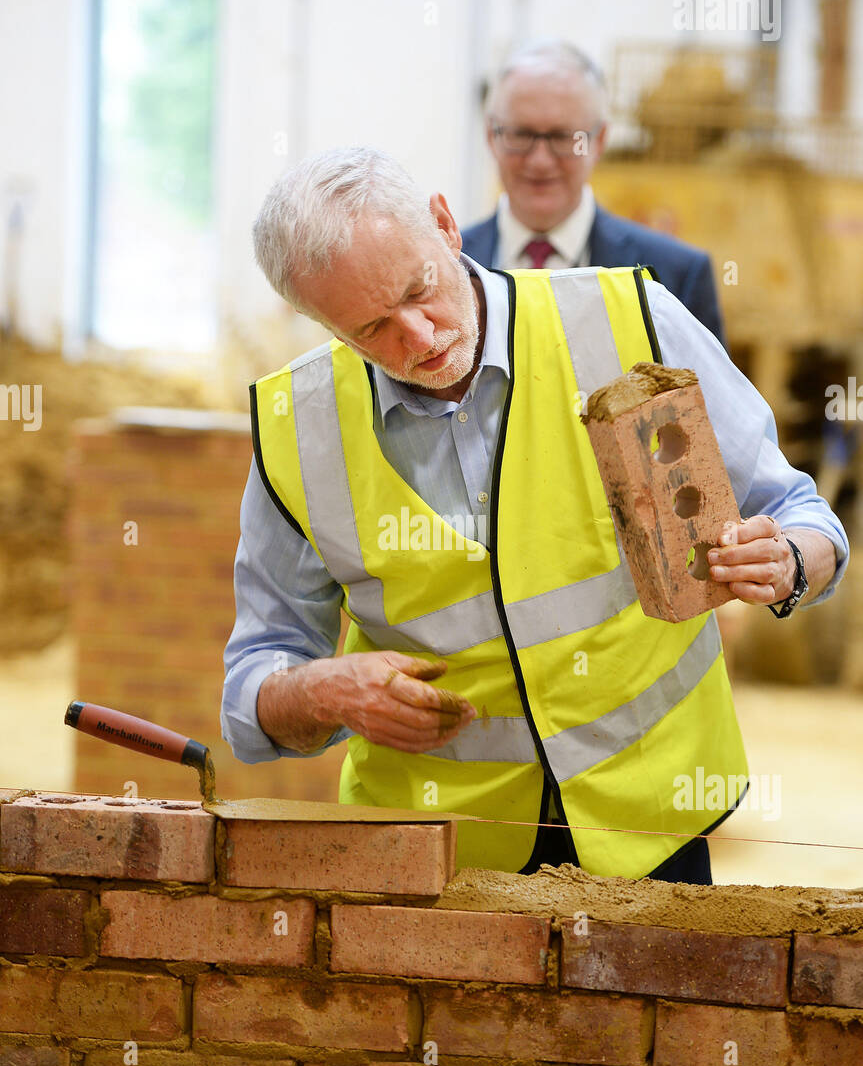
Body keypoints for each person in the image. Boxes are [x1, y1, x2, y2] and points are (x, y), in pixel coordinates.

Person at [221, 146, 848, 886]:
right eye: (369, 329)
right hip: (437, 858)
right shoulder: (300, 427)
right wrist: (322, 692)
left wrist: (789, 563)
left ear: (445, 223)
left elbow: (798, 510)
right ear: (314, 319)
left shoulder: (624, 320)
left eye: (420, 289)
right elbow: (255, 677)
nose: (418, 339)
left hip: (648, 828)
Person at [461, 40, 726, 344]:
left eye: (563, 137)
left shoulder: (676, 278)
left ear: (599, 140)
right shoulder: (448, 266)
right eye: (521, 134)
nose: (540, 160)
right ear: (490, 135)